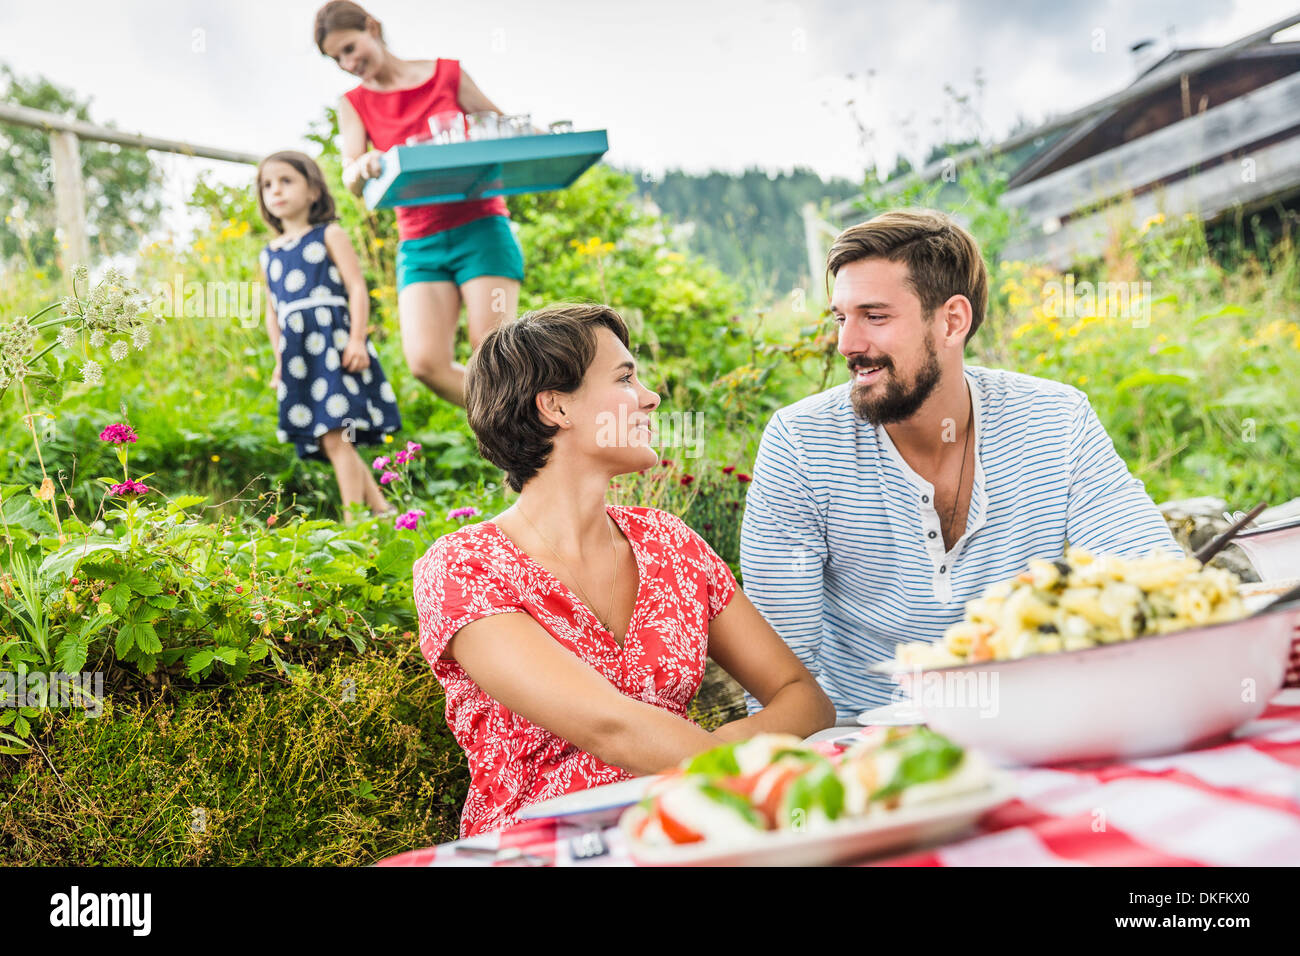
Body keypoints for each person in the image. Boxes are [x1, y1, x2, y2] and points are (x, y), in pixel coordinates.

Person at [412, 304, 836, 837]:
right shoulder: (465, 570)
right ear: (555, 407)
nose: (651, 397)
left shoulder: (671, 543)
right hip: (543, 851)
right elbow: (611, 729)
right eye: (625, 377)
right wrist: (742, 779)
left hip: (689, 830)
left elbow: (804, 697)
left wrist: (711, 761)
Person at [739, 208, 1178, 721]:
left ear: (952, 321)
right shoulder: (800, 444)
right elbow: (779, 678)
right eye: (841, 318)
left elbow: (1151, 575)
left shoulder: (1055, 420)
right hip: (867, 753)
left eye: (874, 317)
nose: (847, 344)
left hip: (1033, 730)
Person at [315, 1, 525, 409]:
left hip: (480, 228)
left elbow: (500, 126)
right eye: (336, 58)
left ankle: (522, 441)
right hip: (420, 242)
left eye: (350, 48)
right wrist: (360, 167)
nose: (347, 62)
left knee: (494, 356)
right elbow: (350, 175)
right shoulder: (354, 103)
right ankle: (517, 423)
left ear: (372, 27)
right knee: (426, 363)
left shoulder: (447, 74)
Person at [256, 150, 400, 523]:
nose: (276, 191)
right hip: (300, 355)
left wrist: (356, 340)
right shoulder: (268, 254)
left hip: (334, 347)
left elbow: (355, 286)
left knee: (339, 434)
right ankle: (382, 511)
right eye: (268, 185)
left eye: (287, 181)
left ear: (314, 190)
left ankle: (355, 523)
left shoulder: (329, 234)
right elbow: (273, 313)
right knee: (331, 437)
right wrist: (280, 363)